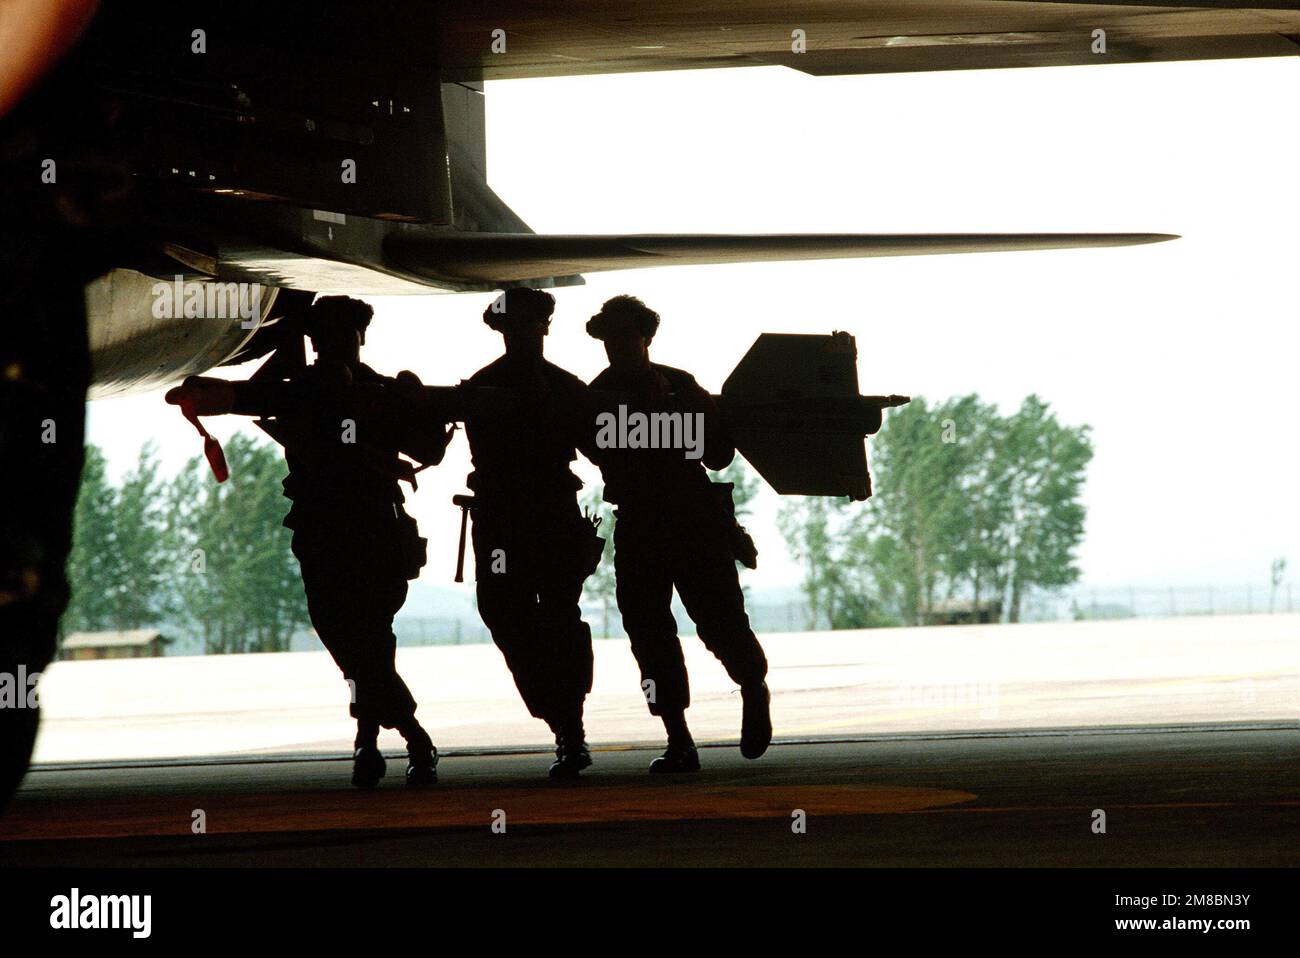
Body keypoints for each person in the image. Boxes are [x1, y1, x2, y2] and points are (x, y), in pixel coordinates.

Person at [165, 296, 449, 788]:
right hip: (331, 532)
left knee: (365, 641)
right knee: (357, 639)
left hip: (368, 530)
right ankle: (408, 734)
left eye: (342, 335)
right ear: (313, 342)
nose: (333, 346)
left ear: (361, 337)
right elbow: (247, 396)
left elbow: (428, 450)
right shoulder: (299, 390)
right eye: (323, 337)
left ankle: (377, 742)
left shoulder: (375, 392)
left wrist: (417, 403)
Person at [587, 295, 771, 773]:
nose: (617, 347)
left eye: (626, 336)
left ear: (646, 337)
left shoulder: (682, 386)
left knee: (720, 620)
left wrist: (674, 414)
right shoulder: (598, 393)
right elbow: (597, 449)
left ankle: (753, 686)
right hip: (642, 525)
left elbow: (716, 455)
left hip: (691, 521)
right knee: (649, 635)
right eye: (610, 338)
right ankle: (678, 739)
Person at [459, 287, 601, 777]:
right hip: (504, 520)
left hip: (548, 518)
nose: (523, 333)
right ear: (501, 330)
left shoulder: (566, 388)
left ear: (544, 327)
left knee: (558, 619)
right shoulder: (481, 387)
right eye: (513, 325)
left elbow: (602, 447)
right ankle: (563, 720)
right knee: (505, 615)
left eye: (530, 324)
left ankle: (569, 730)